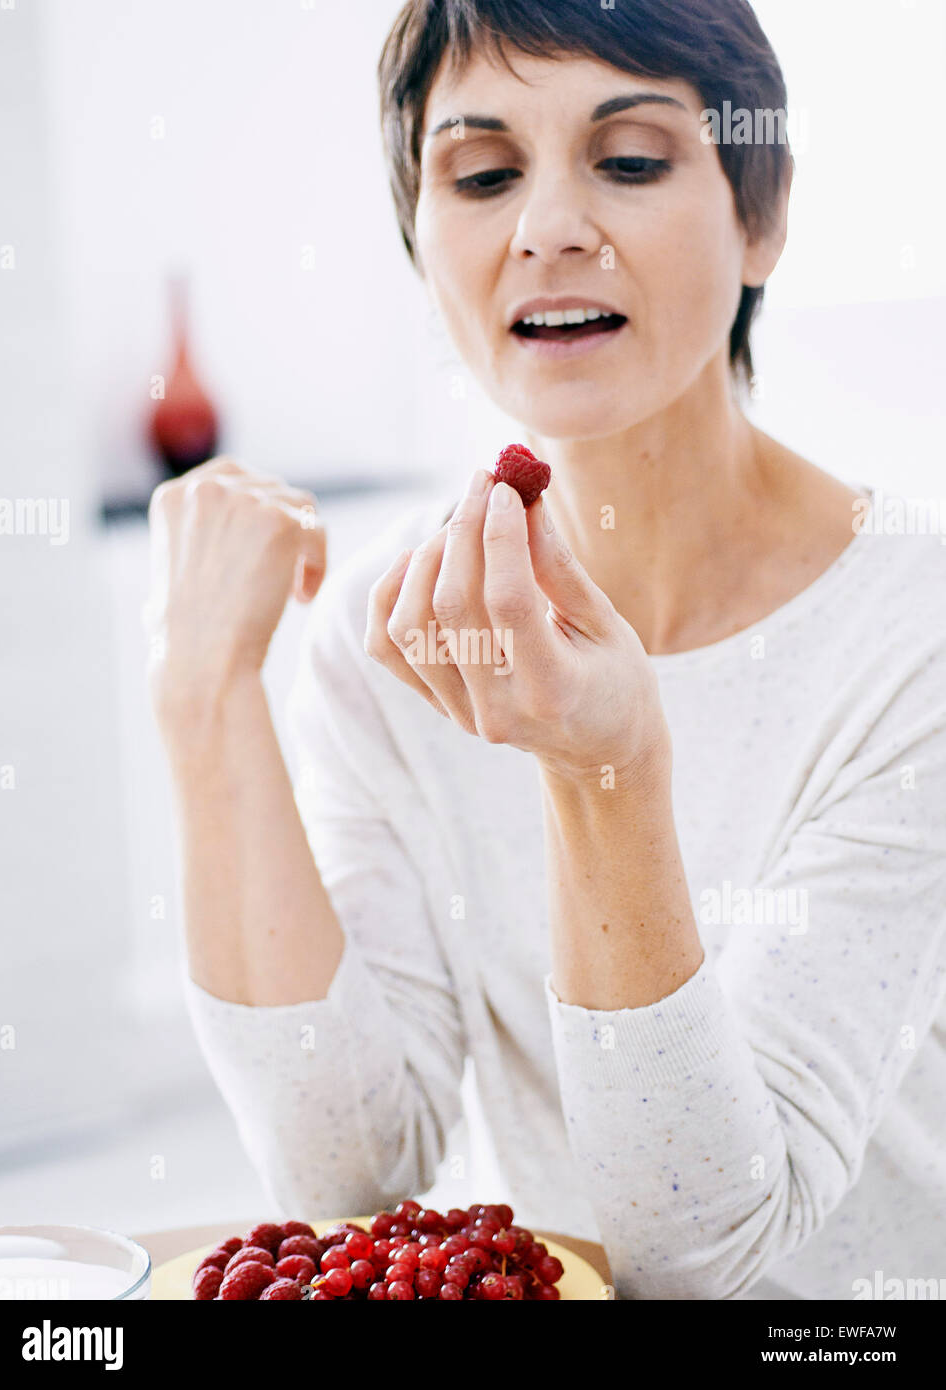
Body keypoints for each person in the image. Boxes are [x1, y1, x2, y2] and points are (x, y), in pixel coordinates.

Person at [145, 0, 946, 1299]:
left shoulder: (916, 632)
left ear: (761, 212)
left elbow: (709, 1247)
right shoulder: (385, 635)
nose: (548, 227)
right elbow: (343, 1181)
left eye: (627, 161)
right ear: (419, 230)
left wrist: (607, 772)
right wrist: (203, 697)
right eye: (481, 173)